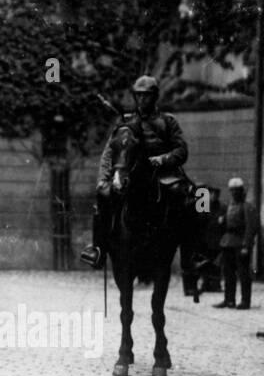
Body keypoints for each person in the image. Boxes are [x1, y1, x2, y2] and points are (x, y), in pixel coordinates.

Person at [81, 74, 190, 268]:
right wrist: (103, 179)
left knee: (187, 199)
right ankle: (99, 249)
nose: (142, 99)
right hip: (131, 175)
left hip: (163, 175)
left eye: (146, 95)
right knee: (103, 196)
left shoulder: (167, 121)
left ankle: (192, 254)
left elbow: (181, 151)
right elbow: (110, 153)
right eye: (138, 95)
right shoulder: (125, 124)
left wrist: (162, 159)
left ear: (155, 97)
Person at [215, 177, 259, 309]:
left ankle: (245, 301)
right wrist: (222, 221)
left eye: (237, 190)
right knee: (228, 273)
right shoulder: (229, 206)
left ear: (242, 191)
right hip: (228, 243)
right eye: (232, 190)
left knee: (243, 274)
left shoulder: (247, 207)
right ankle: (229, 300)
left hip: (240, 243)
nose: (234, 193)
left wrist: (246, 245)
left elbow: (251, 228)